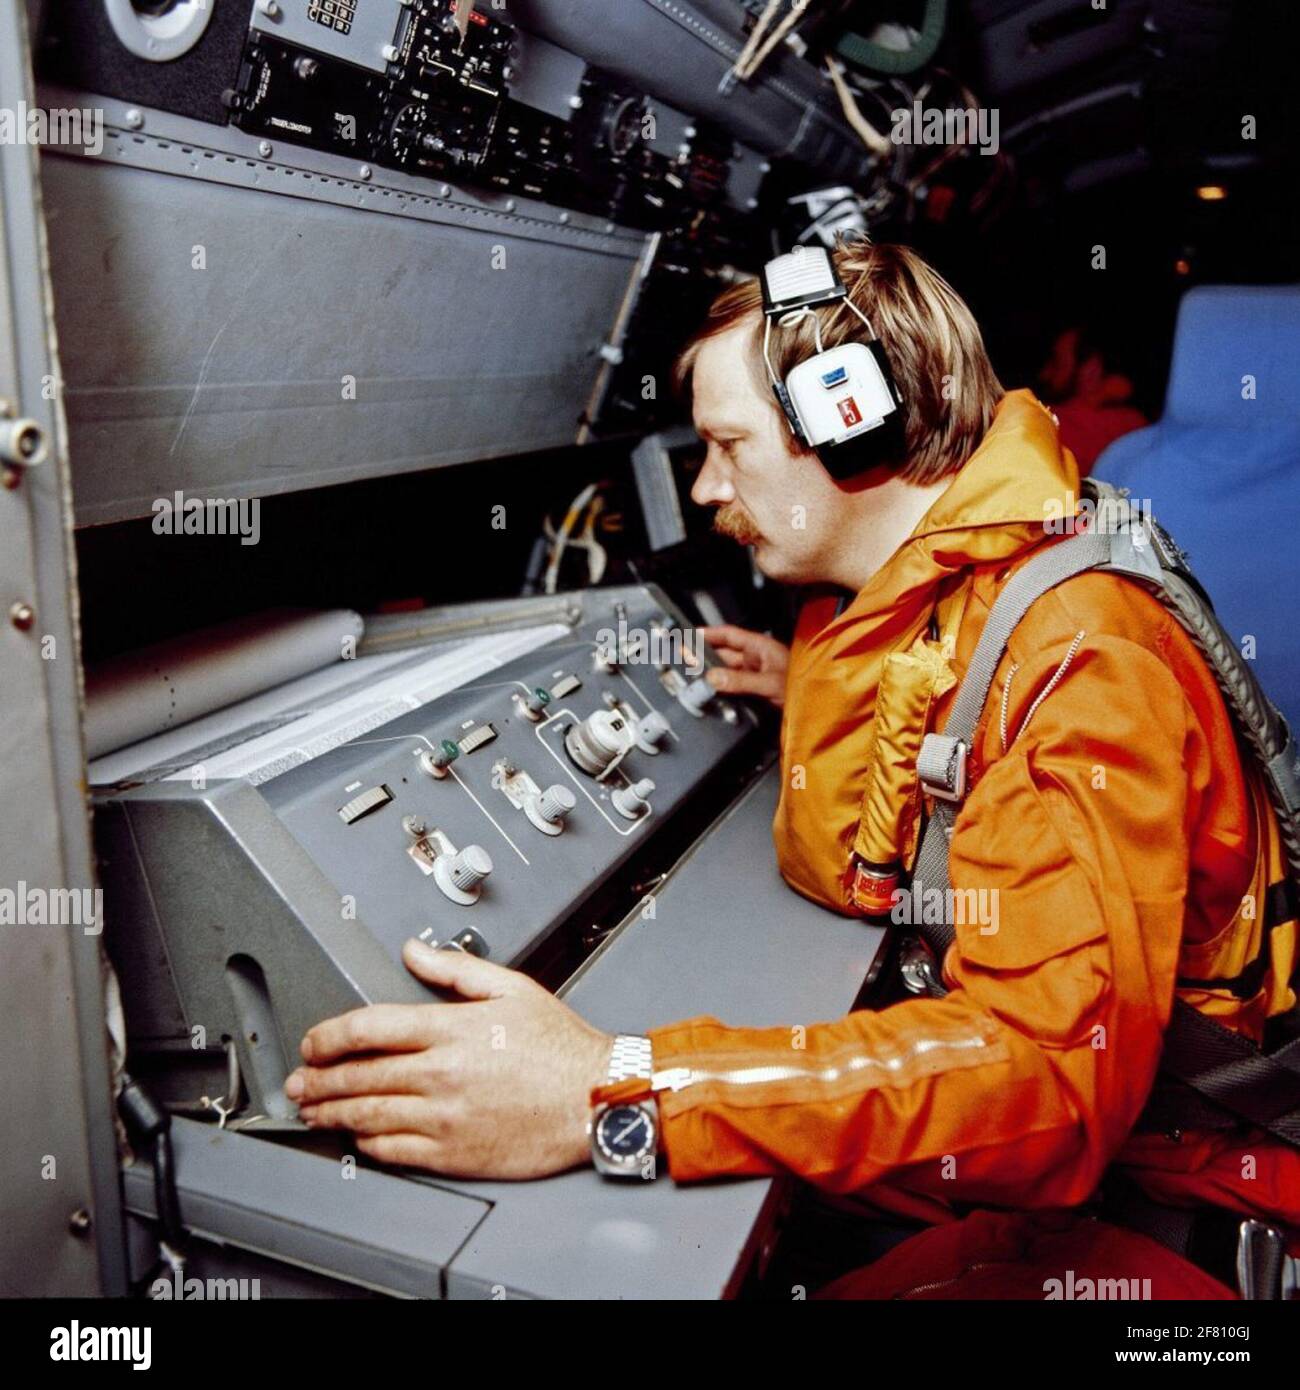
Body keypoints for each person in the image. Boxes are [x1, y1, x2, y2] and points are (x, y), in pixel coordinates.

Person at [283, 240, 1297, 1297]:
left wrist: (614, 1087)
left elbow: (1046, 1091)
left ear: (856, 431)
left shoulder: (1080, 656)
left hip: (1184, 1205)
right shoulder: (953, 588)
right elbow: (879, 831)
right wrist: (806, 680)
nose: (707, 485)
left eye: (726, 443)